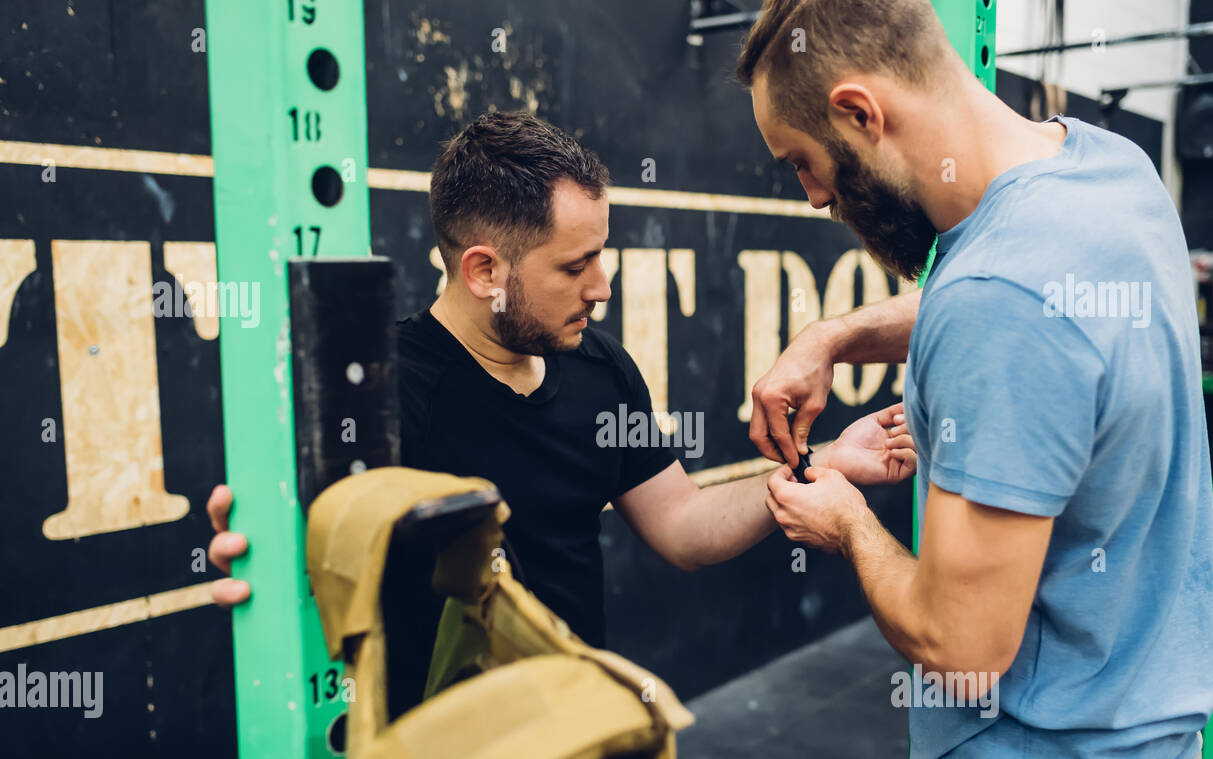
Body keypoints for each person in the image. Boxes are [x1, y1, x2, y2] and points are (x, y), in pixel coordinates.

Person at [738, 0, 1213, 759]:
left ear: (860, 113)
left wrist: (846, 521)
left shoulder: (999, 304)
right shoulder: (1113, 171)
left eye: (804, 164)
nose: (813, 197)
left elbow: (961, 644)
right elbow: (1025, 292)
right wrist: (832, 336)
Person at [207, 109, 917, 653]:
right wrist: (257, 562)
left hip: (575, 750)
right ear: (484, 271)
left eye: (600, 257)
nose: (602, 288)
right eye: (575, 268)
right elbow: (294, 561)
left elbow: (683, 526)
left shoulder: (600, 370)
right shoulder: (382, 397)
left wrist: (818, 464)